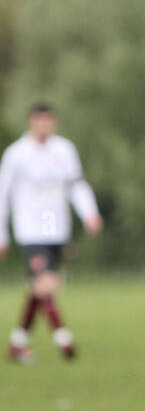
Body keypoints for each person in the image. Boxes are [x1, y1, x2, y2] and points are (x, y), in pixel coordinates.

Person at [0, 102, 102, 363]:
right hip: (30, 229)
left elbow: (76, 185)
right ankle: (64, 341)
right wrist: (2, 233)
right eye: (39, 121)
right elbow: (3, 194)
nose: (44, 126)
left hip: (57, 229)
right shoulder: (16, 154)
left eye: (48, 121)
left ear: (53, 123)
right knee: (44, 286)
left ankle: (17, 344)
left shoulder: (65, 150)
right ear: (30, 123)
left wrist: (89, 212)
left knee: (42, 289)